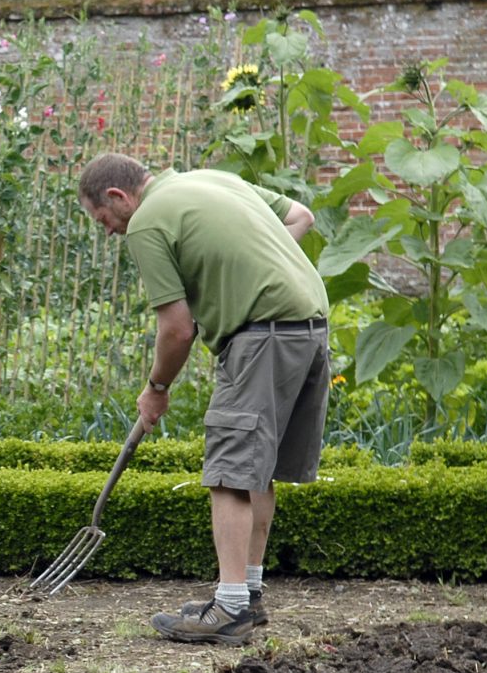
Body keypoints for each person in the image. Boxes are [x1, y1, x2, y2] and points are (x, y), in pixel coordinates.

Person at [78, 152, 330, 644]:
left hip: (261, 336)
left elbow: (176, 329)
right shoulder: (211, 180)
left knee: (230, 472)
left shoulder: (148, 221)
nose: (109, 232)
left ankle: (230, 609)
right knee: (257, 468)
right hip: (310, 326)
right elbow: (302, 216)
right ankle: (248, 595)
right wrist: (244, 271)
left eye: (104, 221)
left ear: (118, 197)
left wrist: (156, 389)